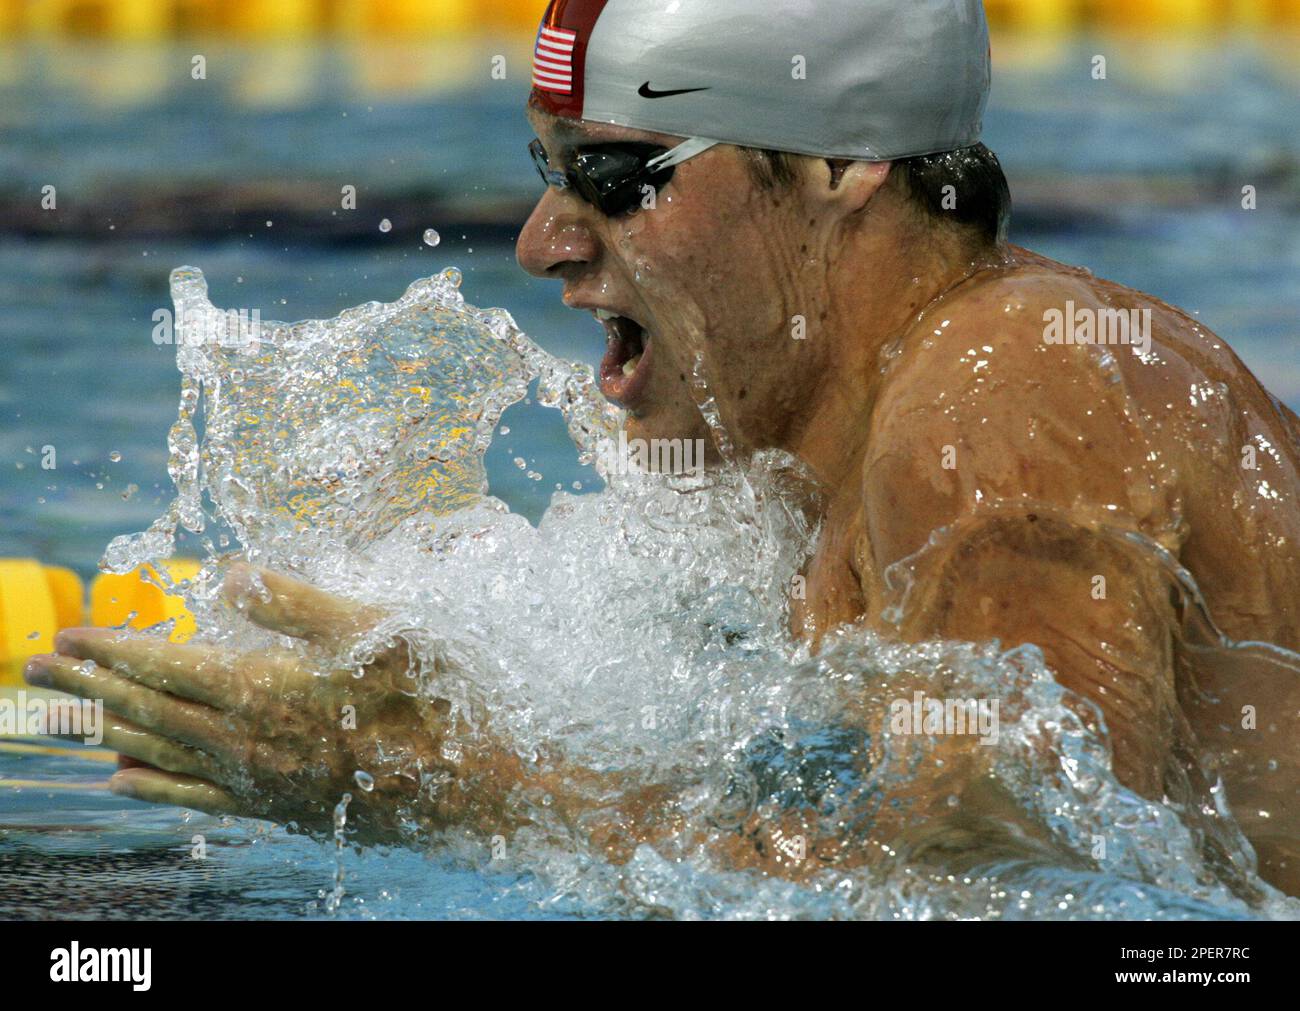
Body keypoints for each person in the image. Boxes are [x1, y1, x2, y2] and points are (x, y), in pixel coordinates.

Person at [27, 0, 1300, 894]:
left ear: (841, 166)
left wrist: (440, 784)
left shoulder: (1000, 396)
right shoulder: (824, 457)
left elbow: (1019, 899)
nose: (542, 241)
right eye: (547, 170)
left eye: (618, 176)